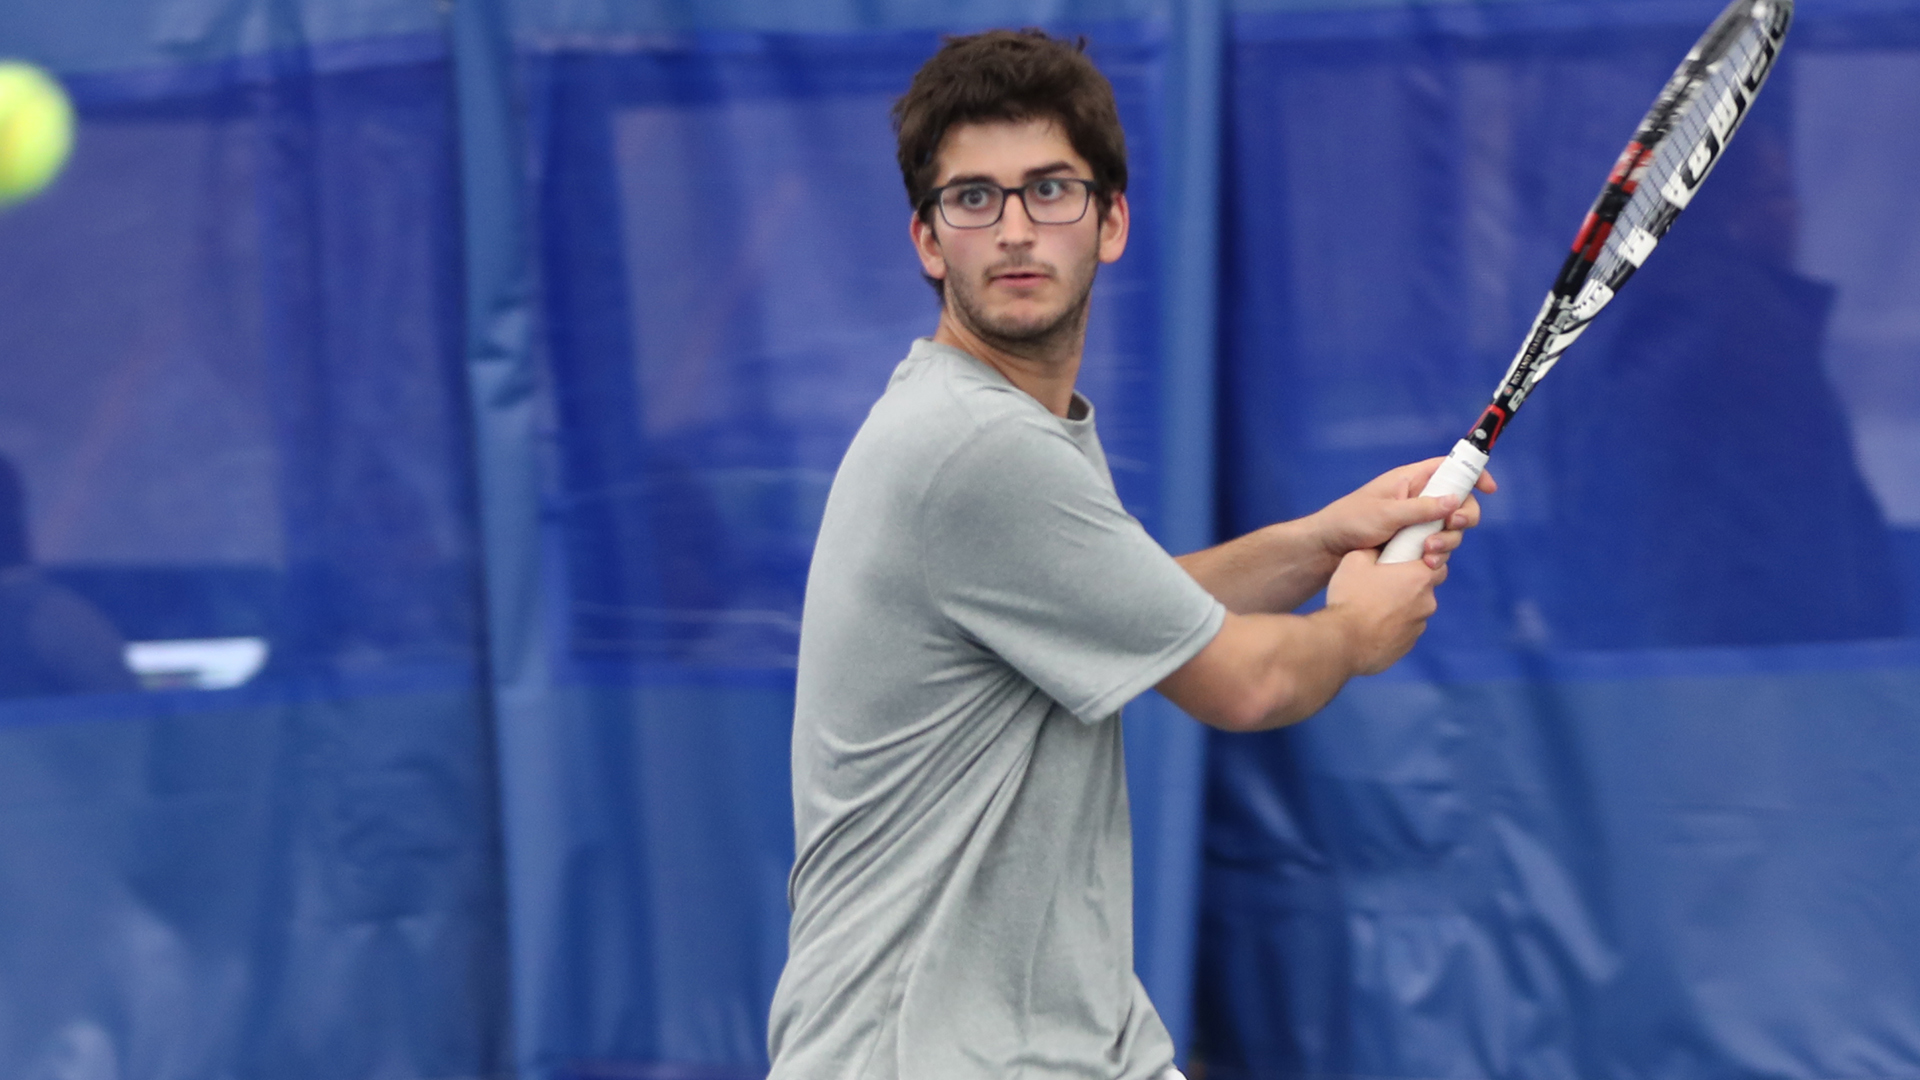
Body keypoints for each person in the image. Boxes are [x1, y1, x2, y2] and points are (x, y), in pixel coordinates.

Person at [766, 29, 1494, 1080]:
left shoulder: (1006, 423)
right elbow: (1244, 682)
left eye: (1050, 190)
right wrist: (1358, 629)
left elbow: (1130, 609)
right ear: (929, 241)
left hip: (1071, 1044)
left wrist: (1320, 538)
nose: (1015, 229)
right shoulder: (974, 447)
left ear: (1111, 221)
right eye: (974, 198)